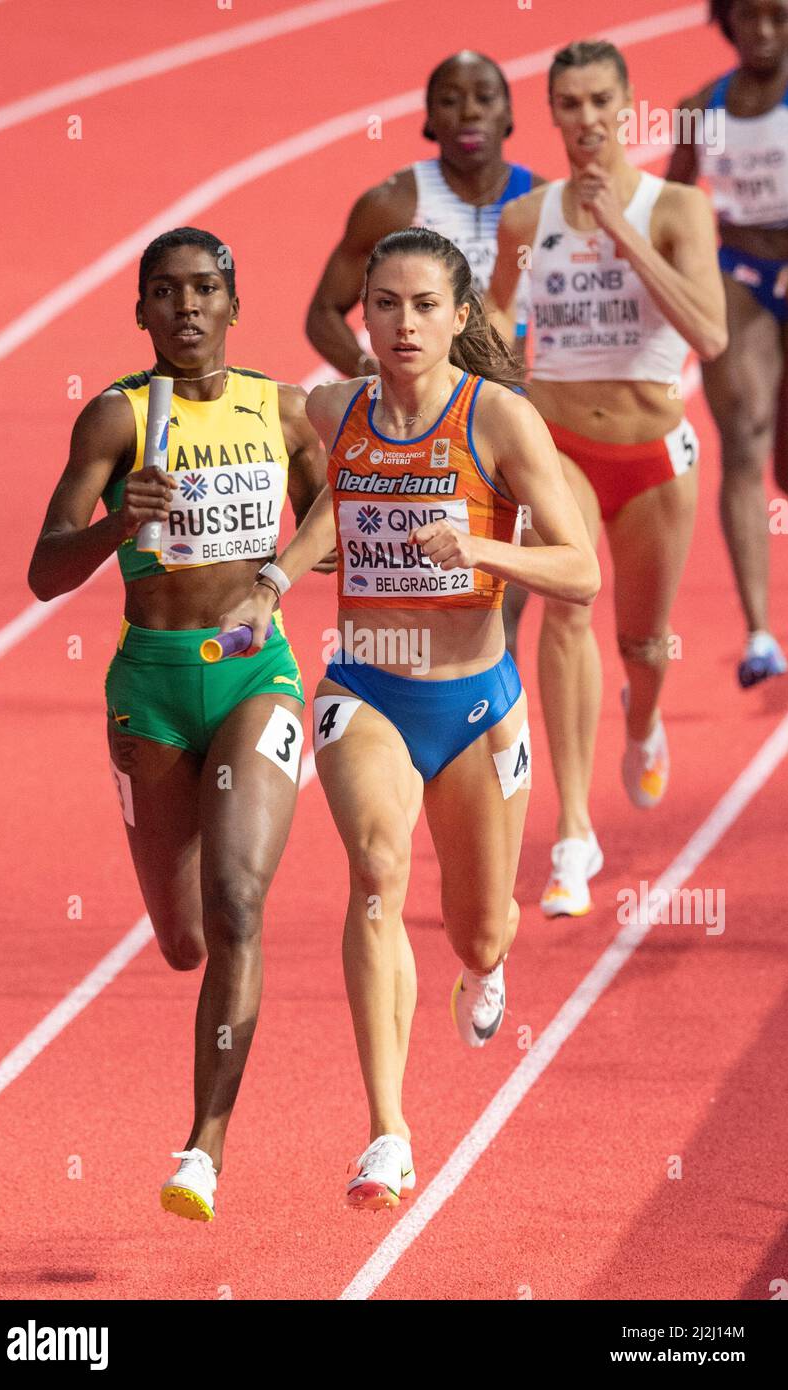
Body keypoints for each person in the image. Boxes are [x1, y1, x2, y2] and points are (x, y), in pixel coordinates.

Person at [223, 227, 599, 1209]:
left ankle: (486, 966)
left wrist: (483, 550)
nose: (401, 322)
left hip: (475, 701)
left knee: (478, 932)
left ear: (459, 316)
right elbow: (332, 508)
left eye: (424, 304)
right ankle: (387, 1130)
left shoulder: (501, 420)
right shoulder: (334, 407)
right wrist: (272, 578)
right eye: (383, 303)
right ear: (364, 316)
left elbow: (580, 570)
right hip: (366, 685)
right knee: (378, 870)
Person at [28, 226, 329, 1223]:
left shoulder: (279, 409)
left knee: (241, 901)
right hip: (149, 692)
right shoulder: (116, 420)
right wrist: (122, 522)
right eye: (166, 293)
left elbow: (334, 521)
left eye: (205, 289)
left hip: (257, 679)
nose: (188, 308)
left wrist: (288, 564)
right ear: (142, 313)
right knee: (186, 937)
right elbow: (43, 573)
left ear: (234, 304)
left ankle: (202, 1147)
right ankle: (182, 928)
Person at [486, 40, 727, 918]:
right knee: (567, 610)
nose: (585, 120)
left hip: (655, 458)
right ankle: (575, 833)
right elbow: (492, 327)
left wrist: (621, 233)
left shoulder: (677, 210)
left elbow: (711, 335)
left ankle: (643, 718)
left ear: (627, 106)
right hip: (559, 447)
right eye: (570, 104)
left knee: (643, 647)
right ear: (551, 115)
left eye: (599, 102)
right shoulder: (526, 221)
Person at [306, 49, 545, 657]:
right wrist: (377, 375)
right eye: (449, 99)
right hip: (409, 431)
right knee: (404, 607)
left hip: (499, 425)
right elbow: (322, 313)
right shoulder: (392, 205)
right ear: (427, 119)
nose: (468, 110)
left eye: (485, 97)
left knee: (494, 612)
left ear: (510, 114)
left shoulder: (545, 205)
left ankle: (487, 731)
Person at [667, 0, 788, 687]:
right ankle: (760, 635)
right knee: (742, 440)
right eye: (751, 17)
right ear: (728, 20)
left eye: (781, 16)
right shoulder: (699, 108)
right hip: (742, 275)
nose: (766, 33)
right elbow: (669, 202)